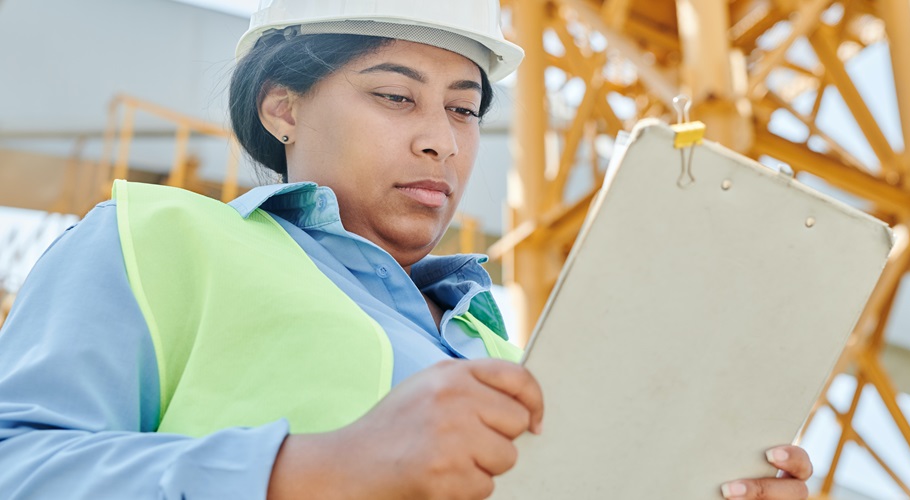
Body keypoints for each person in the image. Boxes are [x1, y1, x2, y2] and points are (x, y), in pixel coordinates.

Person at [0, 1, 813, 498]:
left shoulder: (505, 348)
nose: (441, 144)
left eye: (463, 111)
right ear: (282, 106)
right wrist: (310, 473)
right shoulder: (160, 242)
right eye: (395, 97)